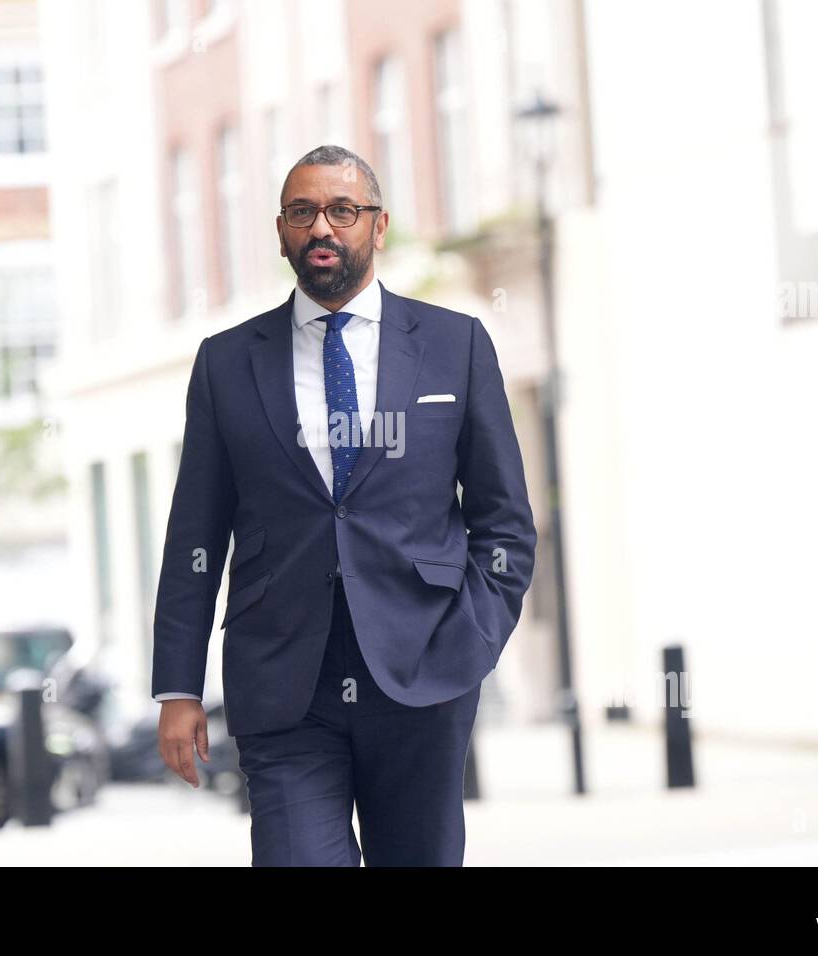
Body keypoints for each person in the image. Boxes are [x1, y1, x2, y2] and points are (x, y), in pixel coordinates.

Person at [152, 144, 536, 866]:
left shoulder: (456, 347)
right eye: (303, 213)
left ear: (378, 225)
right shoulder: (227, 363)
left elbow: (505, 522)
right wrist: (178, 686)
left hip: (422, 674)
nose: (321, 228)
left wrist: (470, 642)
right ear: (280, 231)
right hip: (283, 680)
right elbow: (194, 538)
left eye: (341, 210)